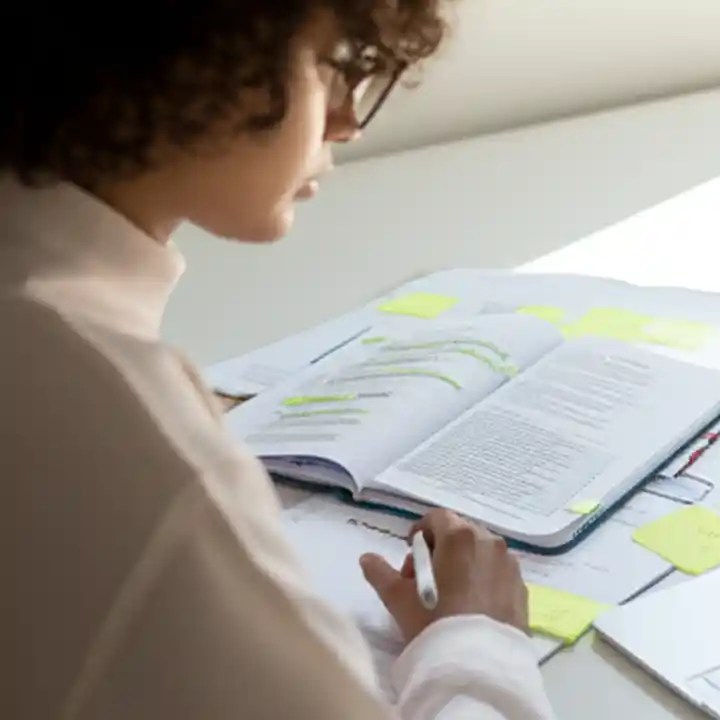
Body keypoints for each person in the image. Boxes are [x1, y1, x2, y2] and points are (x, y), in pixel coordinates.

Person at [1, 2, 554, 718]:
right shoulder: (121, 434)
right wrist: (478, 643)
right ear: (199, 50)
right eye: (339, 63)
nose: (347, 120)